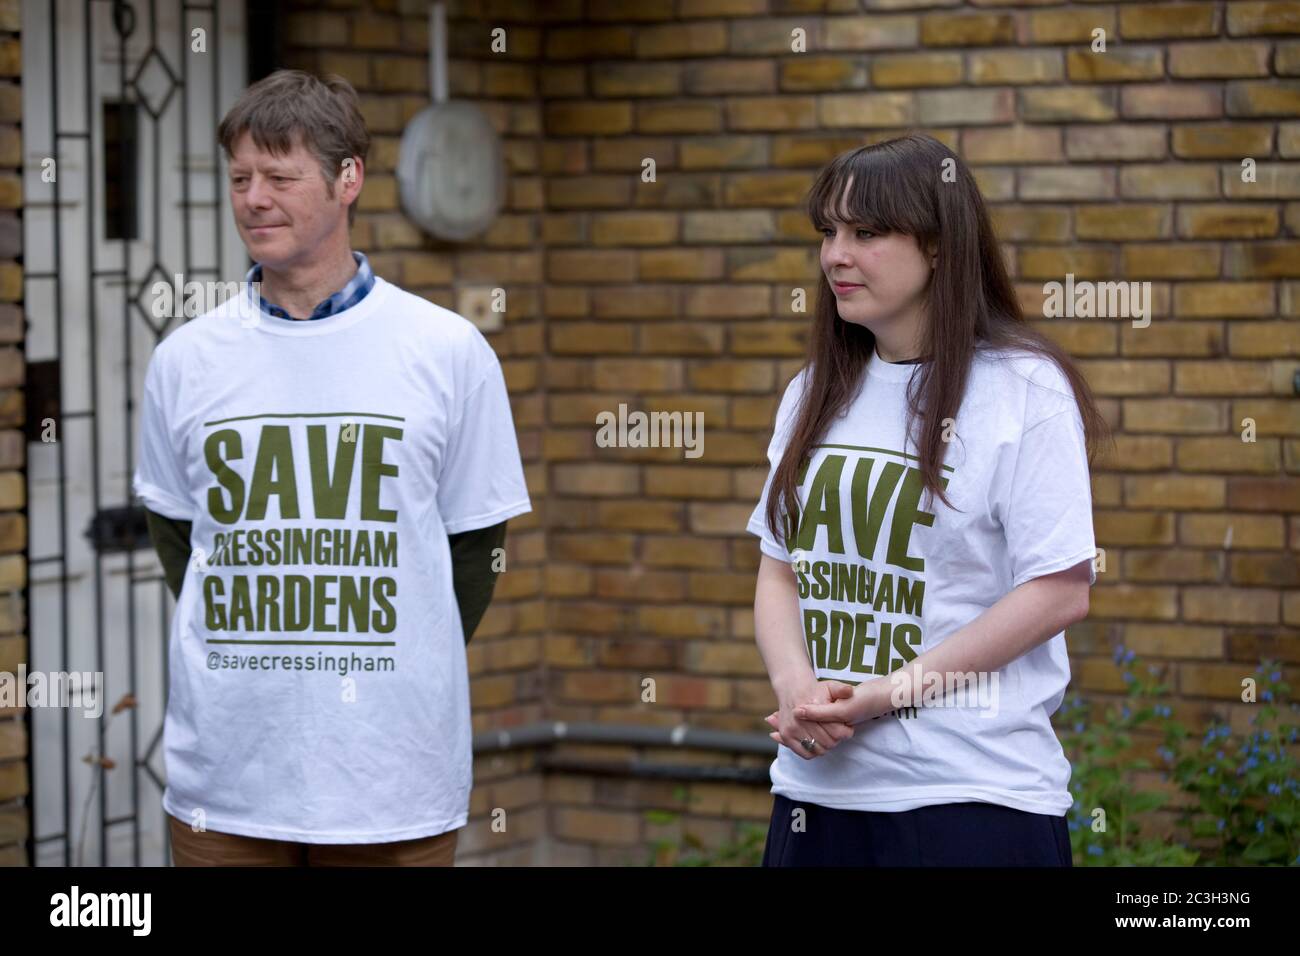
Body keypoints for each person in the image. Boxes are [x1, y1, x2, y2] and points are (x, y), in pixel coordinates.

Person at [133, 70, 531, 866]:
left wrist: (396, 647)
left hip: (391, 779)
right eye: (240, 178)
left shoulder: (447, 351)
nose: (253, 198)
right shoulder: (185, 361)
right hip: (228, 776)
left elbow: (475, 550)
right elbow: (177, 534)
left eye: (280, 177)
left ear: (348, 178)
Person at [747, 132, 1111, 867]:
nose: (835, 256)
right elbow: (778, 568)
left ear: (941, 246)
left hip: (970, 802)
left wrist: (884, 695)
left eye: (868, 233)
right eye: (829, 232)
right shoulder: (813, 391)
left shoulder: (1022, 390)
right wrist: (796, 692)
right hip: (816, 801)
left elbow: (1059, 592)